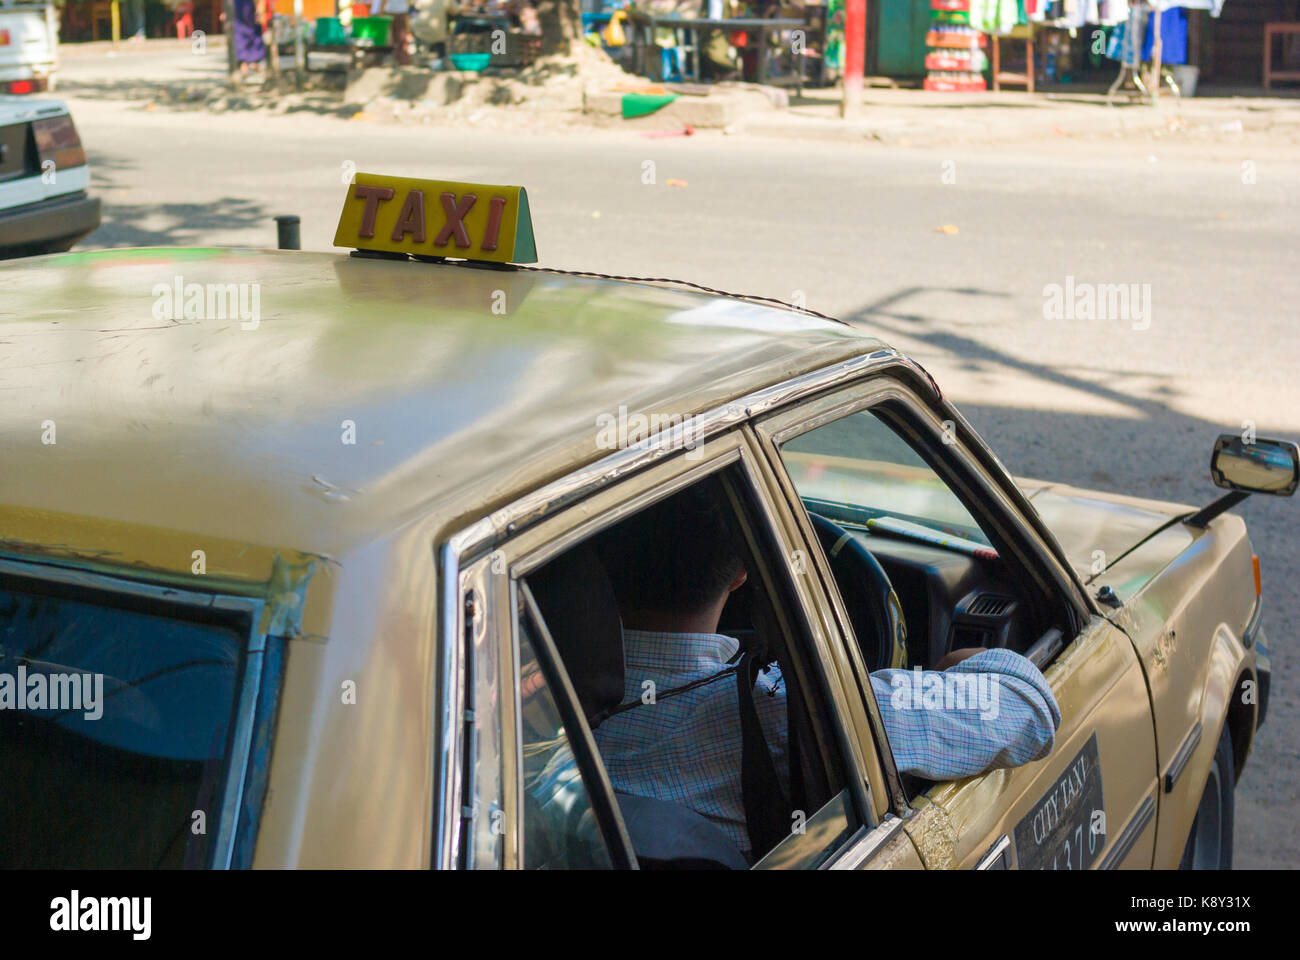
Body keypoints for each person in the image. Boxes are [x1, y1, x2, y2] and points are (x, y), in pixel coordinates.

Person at [593, 486, 1060, 861]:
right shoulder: (792, 715)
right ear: (742, 576)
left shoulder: (537, 710)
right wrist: (947, 668)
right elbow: (1029, 706)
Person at [232, 0, 267, 77]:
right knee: (251, 32)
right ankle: (250, 62)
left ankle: (246, 63)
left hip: (241, 8)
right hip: (245, 8)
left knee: (242, 33)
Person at [376, 0, 412, 65]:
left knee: (398, 37)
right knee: (398, 37)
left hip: (395, 12)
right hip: (399, 11)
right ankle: (400, 59)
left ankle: (401, 59)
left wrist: (380, 12)